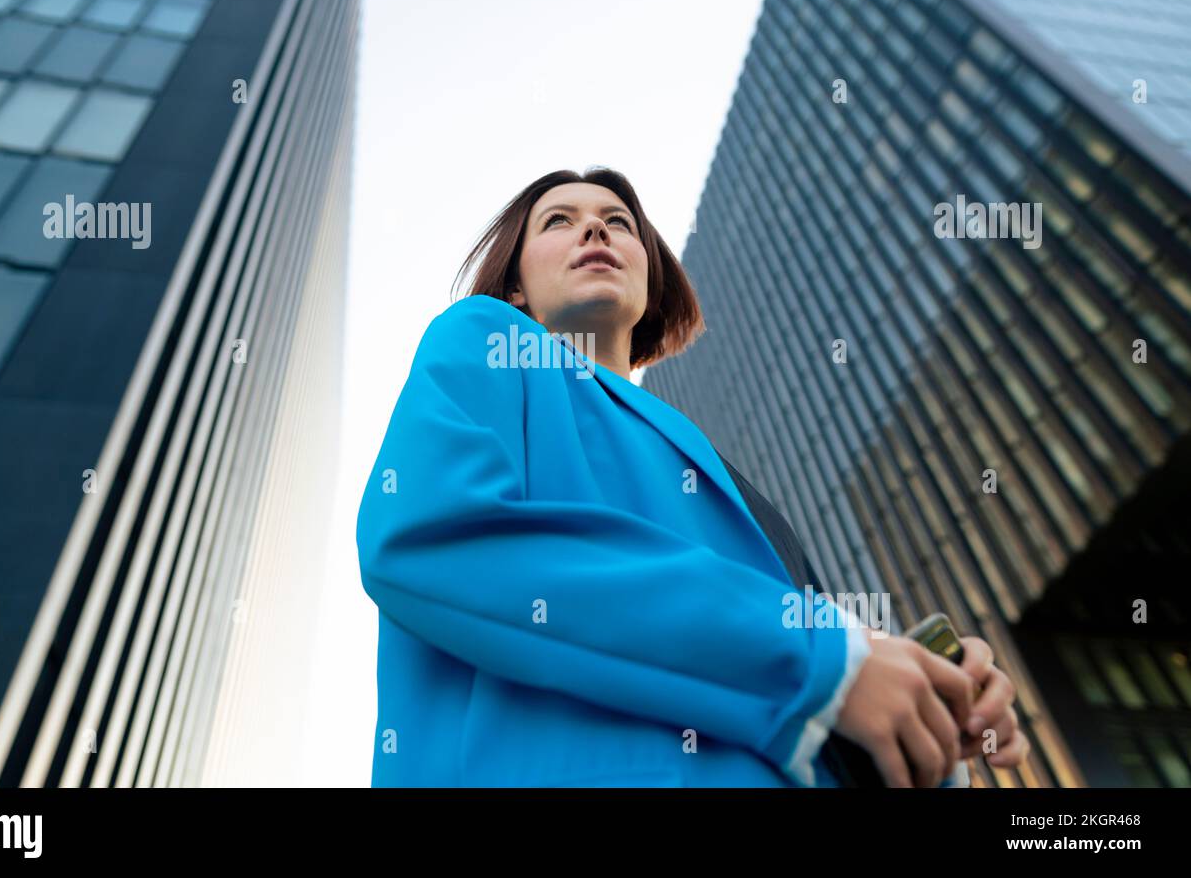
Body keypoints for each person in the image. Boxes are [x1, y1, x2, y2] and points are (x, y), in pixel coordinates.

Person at [356, 166, 1031, 787]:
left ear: (649, 279)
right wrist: (823, 664)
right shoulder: (479, 337)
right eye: (558, 220)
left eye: (620, 222)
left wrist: (932, 707)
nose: (596, 227)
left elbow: (827, 703)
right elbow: (431, 534)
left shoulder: (730, 484)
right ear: (515, 286)